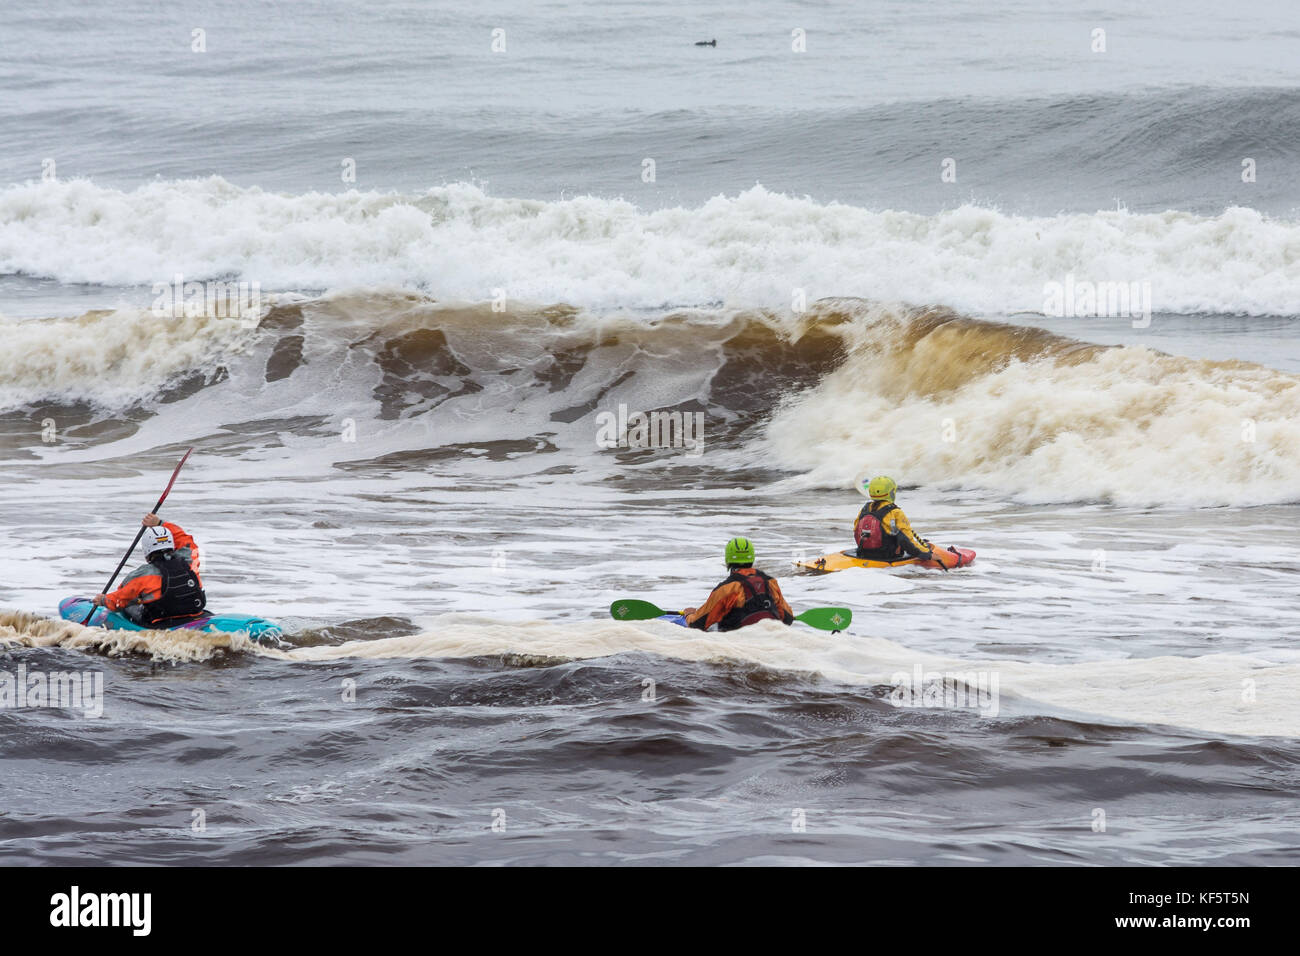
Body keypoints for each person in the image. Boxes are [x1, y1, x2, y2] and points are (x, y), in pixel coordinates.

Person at [91, 513, 206, 625]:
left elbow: (119, 601)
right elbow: (185, 540)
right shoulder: (190, 560)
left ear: (147, 550)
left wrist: (103, 600)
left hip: (161, 621)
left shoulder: (142, 574)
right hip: (193, 613)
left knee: (129, 605)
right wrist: (160, 523)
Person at [681, 537, 795, 631]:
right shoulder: (770, 583)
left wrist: (689, 615)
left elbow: (698, 624)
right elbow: (787, 618)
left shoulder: (726, 589)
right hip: (769, 637)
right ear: (752, 557)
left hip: (739, 641)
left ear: (728, 559)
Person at [853, 475, 939, 564]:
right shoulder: (895, 512)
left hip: (864, 553)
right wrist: (927, 554)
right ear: (891, 492)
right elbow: (906, 542)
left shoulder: (865, 509)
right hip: (888, 556)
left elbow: (856, 531)